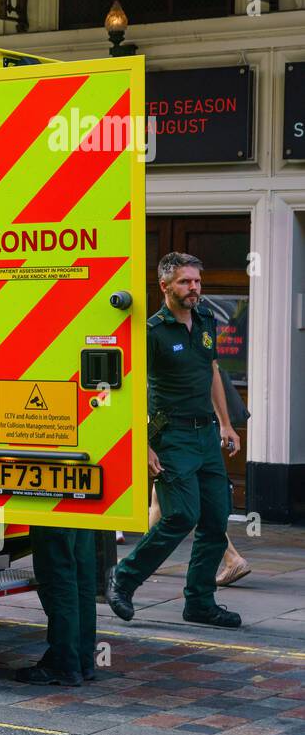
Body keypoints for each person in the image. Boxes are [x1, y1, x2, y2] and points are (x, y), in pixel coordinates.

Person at [108, 252, 242, 628]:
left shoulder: (204, 319)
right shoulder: (151, 331)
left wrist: (227, 425)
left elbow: (212, 370)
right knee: (182, 515)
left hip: (206, 435)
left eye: (197, 281)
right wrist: (144, 444)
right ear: (165, 286)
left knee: (215, 520)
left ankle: (199, 602)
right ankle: (124, 577)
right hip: (172, 436)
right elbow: (132, 390)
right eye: (186, 282)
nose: (194, 288)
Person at [15, 526, 97, 686]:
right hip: (84, 508)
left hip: (53, 507)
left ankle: (63, 663)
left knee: (57, 572)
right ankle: (82, 659)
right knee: (82, 573)